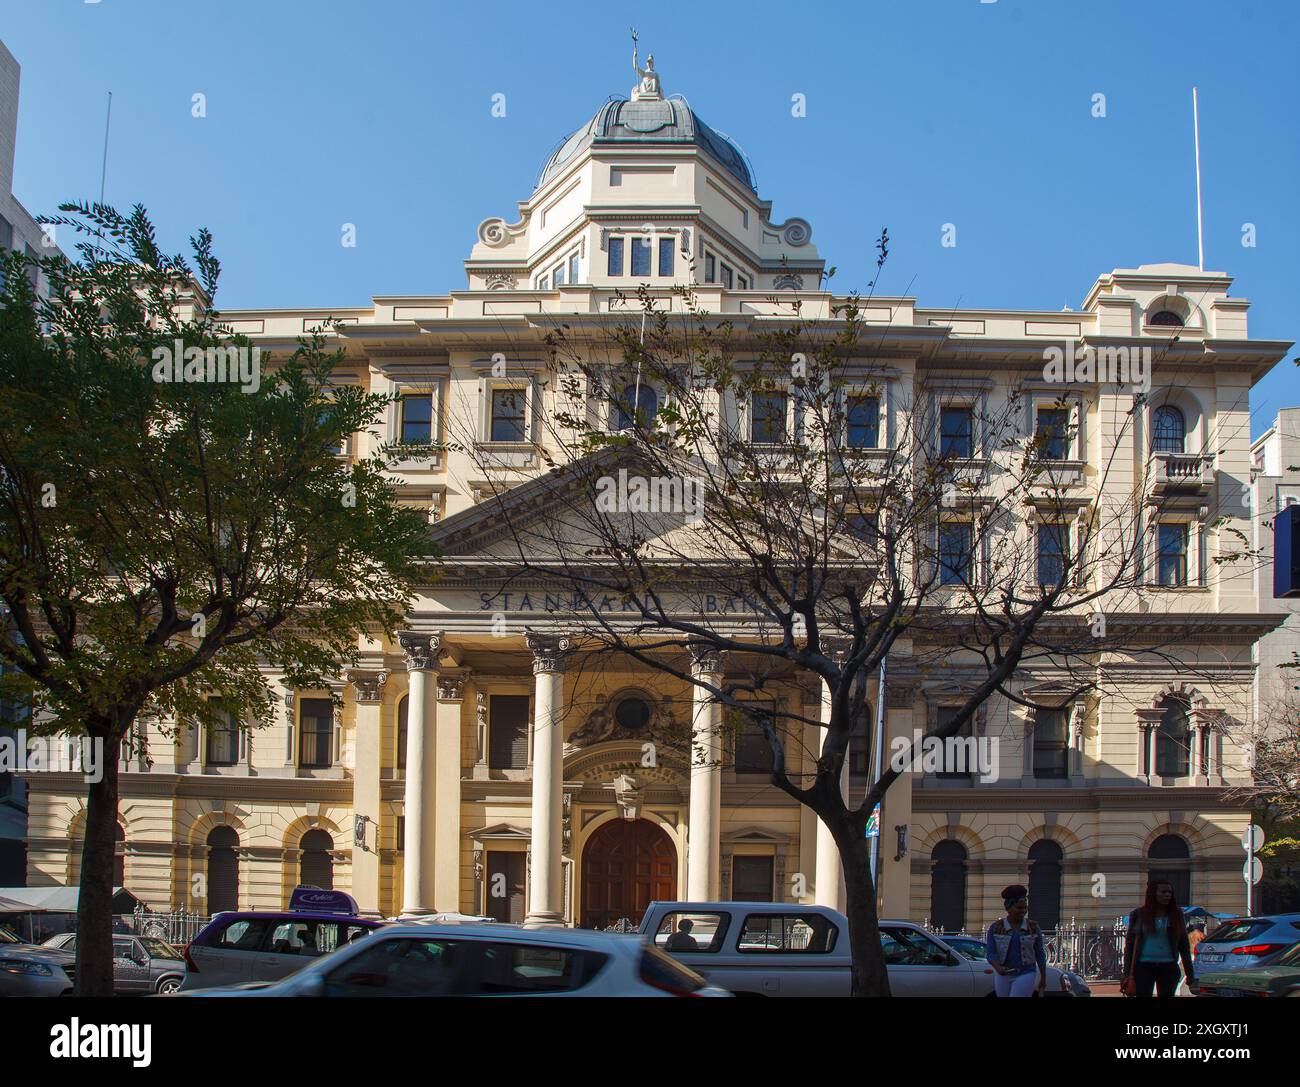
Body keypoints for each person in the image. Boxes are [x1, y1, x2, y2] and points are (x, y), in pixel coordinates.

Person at [1123, 881, 1196, 998]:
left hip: (1168, 967)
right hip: (1143, 967)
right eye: (1163, 892)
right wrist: (1126, 974)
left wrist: (1189, 973)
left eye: (1170, 892)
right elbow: (1130, 946)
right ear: (1153, 894)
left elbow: (1184, 946)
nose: (1167, 895)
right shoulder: (1139, 914)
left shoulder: (1177, 914)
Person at [985, 884, 1046, 997]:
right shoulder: (996, 928)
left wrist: (1043, 977)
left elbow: (1040, 953)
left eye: (1025, 908)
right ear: (1009, 907)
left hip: (1026, 972)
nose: (1022, 911)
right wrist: (998, 968)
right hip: (1003, 974)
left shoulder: (1032, 927)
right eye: (1019, 908)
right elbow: (990, 954)